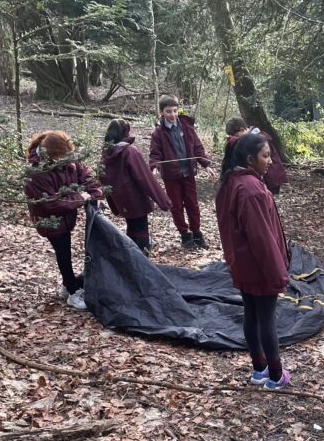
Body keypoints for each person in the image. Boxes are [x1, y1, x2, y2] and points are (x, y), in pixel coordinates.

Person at [215, 131, 292, 390]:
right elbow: (261, 238)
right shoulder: (250, 189)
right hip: (259, 266)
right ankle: (275, 375)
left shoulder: (230, 182)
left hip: (242, 264)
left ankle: (259, 369)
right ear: (250, 159)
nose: (270, 161)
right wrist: (277, 273)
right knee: (266, 319)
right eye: (265, 156)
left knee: (251, 314)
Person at [25, 131, 103, 311]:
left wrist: (94, 193)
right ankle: (72, 292)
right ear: (51, 155)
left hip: (66, 215)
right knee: (63, 252)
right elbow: (50, 203)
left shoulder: (69, 162)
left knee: (65, 250)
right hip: (49, 220)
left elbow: (86, 176)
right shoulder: (36, 173)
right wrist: (81, 198)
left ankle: (68, 286)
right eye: (63, 157)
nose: (67, 160)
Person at [100, 119, 174, 255]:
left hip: (121, 201)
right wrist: (164, 201)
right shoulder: (130, 152)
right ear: (126, 132)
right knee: (141, 232)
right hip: (136, 200)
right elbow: (145, 178)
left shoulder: (106, 153)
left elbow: (104, 180)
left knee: (132, 229)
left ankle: (132, 260)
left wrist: (114, 205)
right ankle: (141, 263)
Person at [148, 95, 212, 250]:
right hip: (171, 175)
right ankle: (185, 235)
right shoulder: (158, 132)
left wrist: (205, 164)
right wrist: (154, 167)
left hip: (188, 172)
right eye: (168, 111)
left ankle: (197, 233)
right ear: (161, 112)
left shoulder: (186, 126)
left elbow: (197, 146)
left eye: (175, 111)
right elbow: (155, 153)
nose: (172, 114)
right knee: (176, 205)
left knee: (192, 204)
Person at [222, 117, 288, 194]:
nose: (236, 139)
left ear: (242, 130)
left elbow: (267, 163)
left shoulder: (260, 141)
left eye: (235, 136)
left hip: (270, 177)